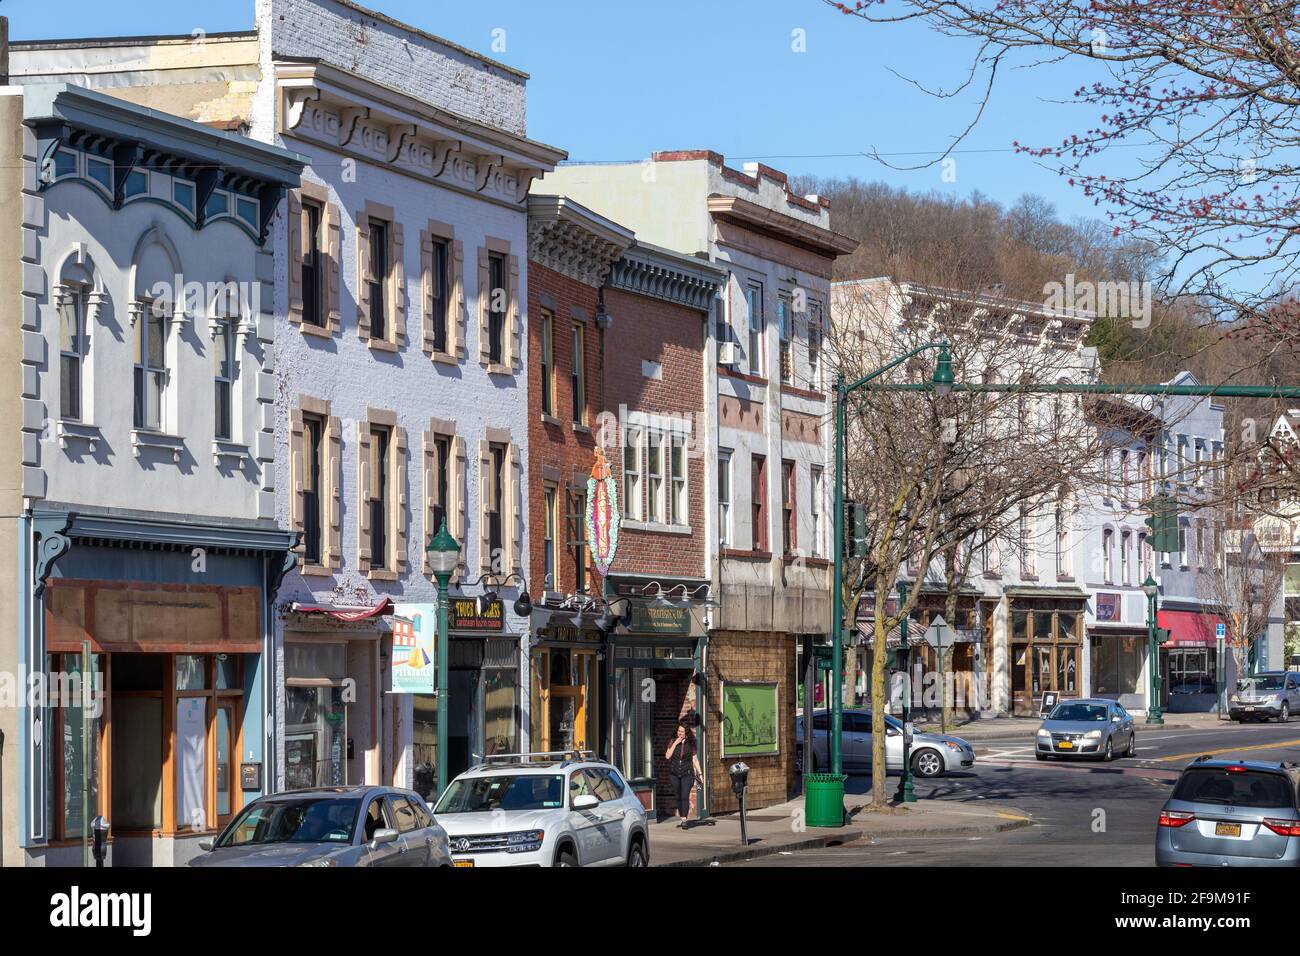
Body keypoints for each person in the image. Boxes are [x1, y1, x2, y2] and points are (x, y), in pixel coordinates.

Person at [664, 722, 702, 828]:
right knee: (679, 797)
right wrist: (675, 743)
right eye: (679, 731)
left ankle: (685, 819)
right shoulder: (672, 741)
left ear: (687, 733)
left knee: (685, 796)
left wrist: (700, 773)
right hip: (674, 773)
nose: (680, 733)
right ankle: (682, 818)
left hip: (687, 773)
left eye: (682, 731)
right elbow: (667, 756)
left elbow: (694, 759)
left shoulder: (691, 743)